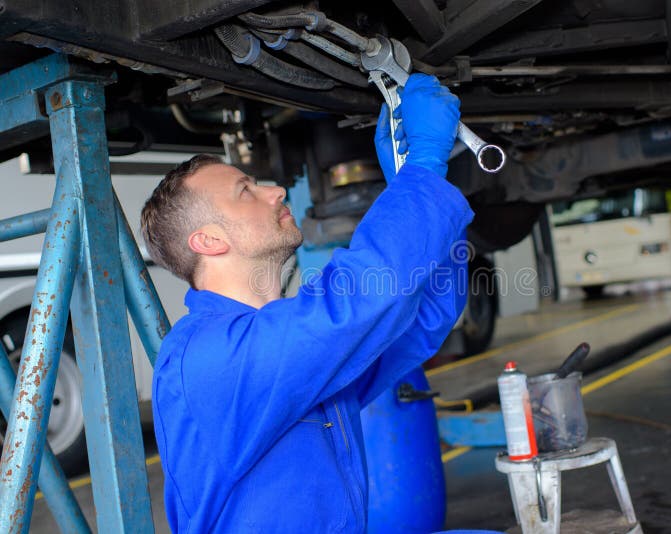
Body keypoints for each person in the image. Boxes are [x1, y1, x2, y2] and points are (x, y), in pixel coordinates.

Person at [141, 74, 474, 533]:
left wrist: (415, 187)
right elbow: (354, 301)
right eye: (246, 191)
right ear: (209, 241)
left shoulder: (297, 356)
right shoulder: (206, 356)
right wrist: (422, 171)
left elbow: (424, 317)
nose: (276, 190)